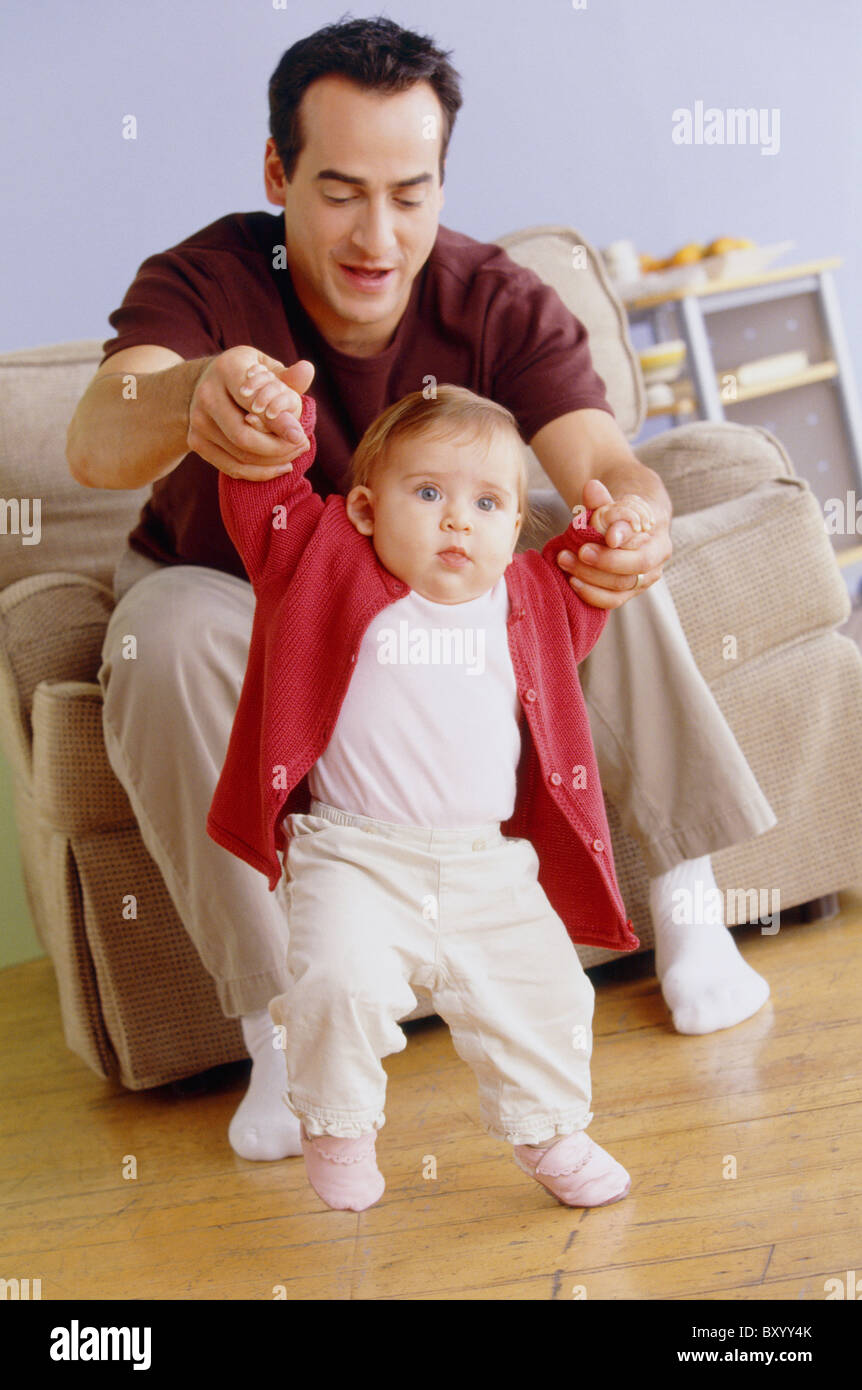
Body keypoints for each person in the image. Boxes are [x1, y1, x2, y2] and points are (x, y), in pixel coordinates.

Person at [67, 16, 776, 1165]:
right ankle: (280, 1029)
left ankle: (692, 915)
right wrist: (193, 390)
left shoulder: (493, 296)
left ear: (444, 177)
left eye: (410, 192)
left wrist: (631, 513)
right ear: (275, 173)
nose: (376, 235)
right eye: (340, 191)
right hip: (238, 600)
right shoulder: (203, 279)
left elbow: (600, 459)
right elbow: (99, 436)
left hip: (436, 617)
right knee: (164, 628)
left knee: (583, 539)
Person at [209, 377, 652, 1212]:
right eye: (428, 493)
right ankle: (337, 1122)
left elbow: (596, 575)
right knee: (337, 983)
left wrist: (612, 529)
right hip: (355, 856)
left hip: (485, 863)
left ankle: (549, 1130)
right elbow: (268, 502)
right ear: (368, 512)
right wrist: (278, 421)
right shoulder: (328, 565)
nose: (458, 519)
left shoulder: (529, 597)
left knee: (547, 994)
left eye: (488, 503)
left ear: (516, 526)